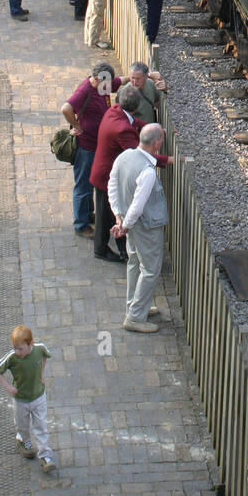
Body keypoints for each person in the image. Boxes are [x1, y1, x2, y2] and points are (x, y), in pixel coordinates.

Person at [90, 85, 172, 263]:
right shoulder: (123, 129)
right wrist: (167, 160)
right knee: (106, 216)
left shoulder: (115, 110)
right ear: (136, 106)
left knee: (109, 213)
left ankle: (118, 249)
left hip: (103, 169)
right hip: (106, 175)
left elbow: (136, 124)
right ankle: (101, 250)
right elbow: (141, 155)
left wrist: (155, 130)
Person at [110, 124, 170, 332]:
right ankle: (135, 317)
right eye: (161, 139)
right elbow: (138, 205)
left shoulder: (124, 156)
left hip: (130, 223)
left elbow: (113, 185)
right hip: (145, 226)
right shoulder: (148, 172)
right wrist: (124, 225)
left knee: (134, 262)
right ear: (155, 144)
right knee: (151, 269)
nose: (162, 143)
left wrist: (118, 215)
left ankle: (135, 306)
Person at [60, 61, 121, 238]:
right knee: (83, 186)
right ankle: (81, 225)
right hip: (86, 147)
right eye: (105, 84)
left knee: (89, 183)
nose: (107, 88)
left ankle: (87, 214)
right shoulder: (85, 90)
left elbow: (119, 81)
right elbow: (66, 108)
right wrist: (77, 126)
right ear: (95, 79)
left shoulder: (104, 84)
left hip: (96, 145)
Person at [0, 325, 55, 473]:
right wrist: (7, 386)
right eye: (14, 348)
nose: (16, 352)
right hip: (20, 400)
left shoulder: (39, 349)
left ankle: (45, 457)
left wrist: (41, 375)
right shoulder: (12, 357)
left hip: (39, 397)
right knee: (22, 424)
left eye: (20, 348)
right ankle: (24, 441)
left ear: (30, 344)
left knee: (40, 425)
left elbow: (45, 356)